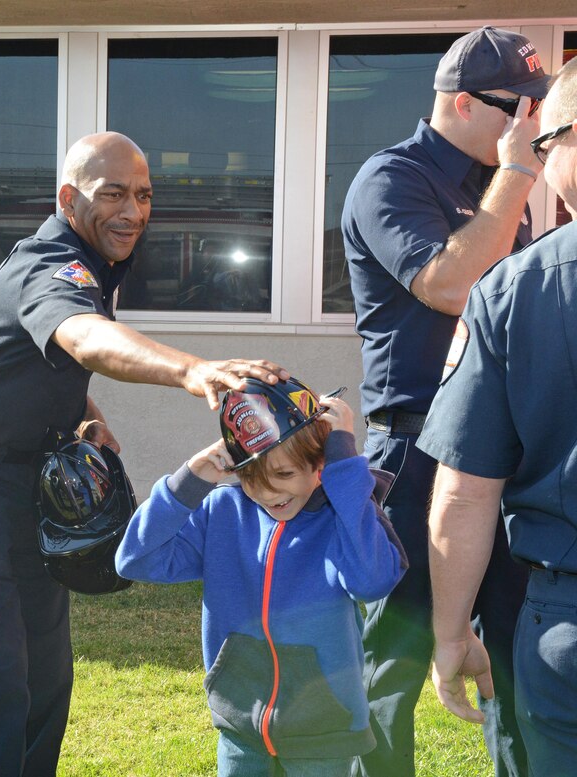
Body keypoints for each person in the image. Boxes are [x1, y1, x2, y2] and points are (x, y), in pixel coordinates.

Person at [0, 130, 288, 777]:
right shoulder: (49, 263)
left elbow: (36, 357)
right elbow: (83, 336)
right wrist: (195, 371)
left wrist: (87, 414)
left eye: (143, 194)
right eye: (113, 193)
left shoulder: (96, 263)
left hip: (25, 481)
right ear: (69, 198)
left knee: (47, 678)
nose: (132, 210)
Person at [340, 26, 549, 777]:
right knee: (390, 663)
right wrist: (519, 174)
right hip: (415, 449)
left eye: (540, 110)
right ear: (463, 102)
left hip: (500, 455)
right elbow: (449, 287)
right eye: (518, 109)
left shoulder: (493, 182)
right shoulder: (390, 179)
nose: (530, 125)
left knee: (515, 652)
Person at [115, 377, 406, 777]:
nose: (269, 493)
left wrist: (344, 467)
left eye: (284, 474)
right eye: (252, 478)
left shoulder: (341, 518)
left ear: (319, 467)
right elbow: (135, 559)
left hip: (324, 732)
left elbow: (371, 580)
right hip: (239, 729)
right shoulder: (223, 511)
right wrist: (188, 481)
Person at [420, 56, 577, 775]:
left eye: (546, 141)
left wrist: (450, 633)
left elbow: (465, 490)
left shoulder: (519, 290)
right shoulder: (393, 181)